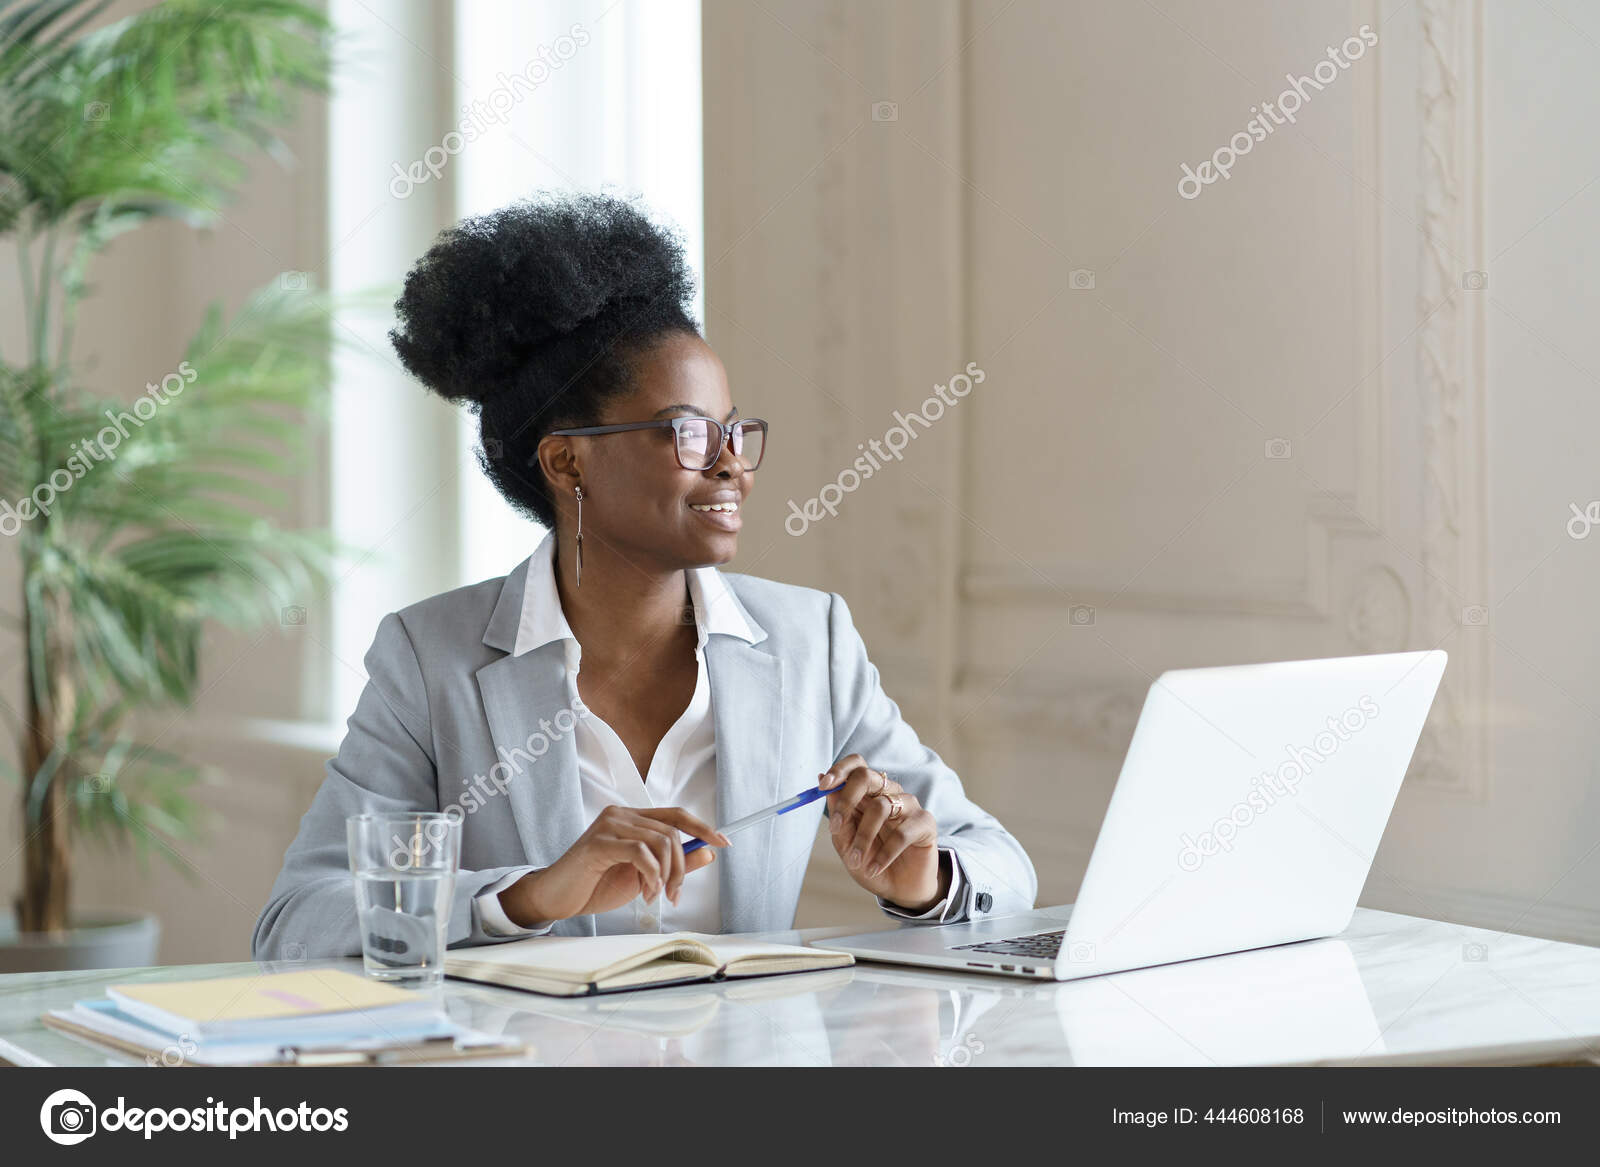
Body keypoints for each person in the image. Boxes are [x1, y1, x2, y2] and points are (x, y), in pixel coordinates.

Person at [253, 193, 1036, 959]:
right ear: (567, 461)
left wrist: (924, 879)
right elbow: (296, 924)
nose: (732, 463)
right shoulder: (431, 660)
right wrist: (530, 894)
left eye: (734, 430)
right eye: (688, 433)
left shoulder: (809, 641)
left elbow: (1005, 865)